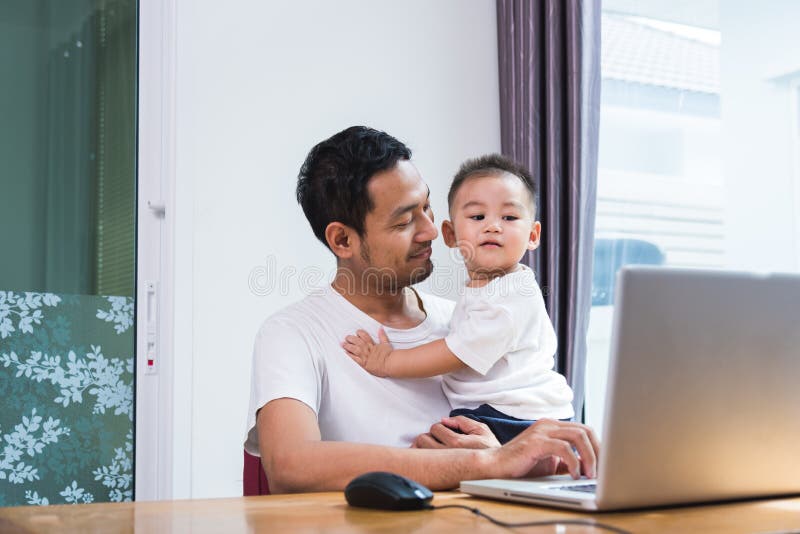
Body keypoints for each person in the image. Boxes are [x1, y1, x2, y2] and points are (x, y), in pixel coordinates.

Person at [244, 126, 598, 494]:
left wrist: (502, 459)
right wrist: (484, 463)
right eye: (404, 221)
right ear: (343, 240)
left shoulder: (465, 319)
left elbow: (520, 452)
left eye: (426, 206)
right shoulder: (293, 333)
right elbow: (290, 465)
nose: (431, 230)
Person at [342, 154, 573, 444]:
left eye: (509, 217)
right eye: (478, 217)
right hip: (503, 412)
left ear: (533, 235)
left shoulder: (511, 299)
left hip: (517, 417)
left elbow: (454, 353)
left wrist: (388, 361)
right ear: (450, 234)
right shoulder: (489, 288)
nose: (493, 226)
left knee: (431, 448)